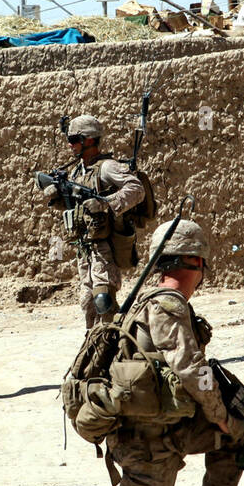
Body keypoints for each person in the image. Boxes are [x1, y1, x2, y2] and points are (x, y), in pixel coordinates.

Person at [0, 218, 244, 486]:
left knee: (239, 432)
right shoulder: (168, 305)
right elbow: (192, 370)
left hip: (167, 428)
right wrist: (221, 416)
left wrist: (229, 422)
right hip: (145, 443)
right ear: (196, 262)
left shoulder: (149, 300)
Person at [40, 114, 148, 329]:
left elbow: (137, 189)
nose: (69, 145)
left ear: (89, 140)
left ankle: (117, 344)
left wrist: (106, 203)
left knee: (103, 300)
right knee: (88, 303)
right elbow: (76, 207)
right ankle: (96, 347)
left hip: (104, 248)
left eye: (73, 139)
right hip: (85, 249)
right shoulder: (77, 171)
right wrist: (57, 197)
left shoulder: (107, 167)